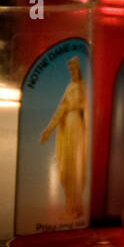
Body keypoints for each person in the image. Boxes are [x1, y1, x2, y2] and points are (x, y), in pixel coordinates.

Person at [41, 57, 88, 219]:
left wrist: (75, 106)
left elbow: (86, 109)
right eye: (70, 70)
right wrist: (48, 130)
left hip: (77, 128)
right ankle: (70, 204)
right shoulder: (69, 87)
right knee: (66, 168)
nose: (72, 72)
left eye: (74, 69)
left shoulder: (83, 87)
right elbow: (60, 111)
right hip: (67, 128)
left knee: (75, 166)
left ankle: (75, 207)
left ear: (79, 69)